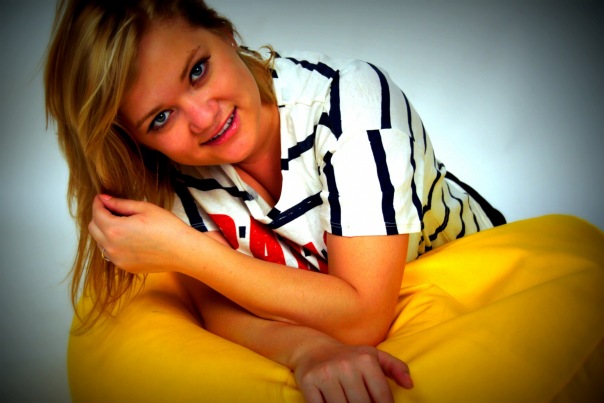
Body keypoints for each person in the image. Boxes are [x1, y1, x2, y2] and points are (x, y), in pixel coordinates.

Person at [45, 0, 503, 401]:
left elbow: (363, 319)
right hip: (332, 306)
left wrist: (188, 251)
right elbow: (219, 306)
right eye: (161, 118)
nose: (203, 118)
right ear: (139, 141)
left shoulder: (349, 101)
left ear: (224, 33)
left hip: (465, 280)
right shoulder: (171, 172)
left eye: (198, 71)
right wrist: (307, 350)